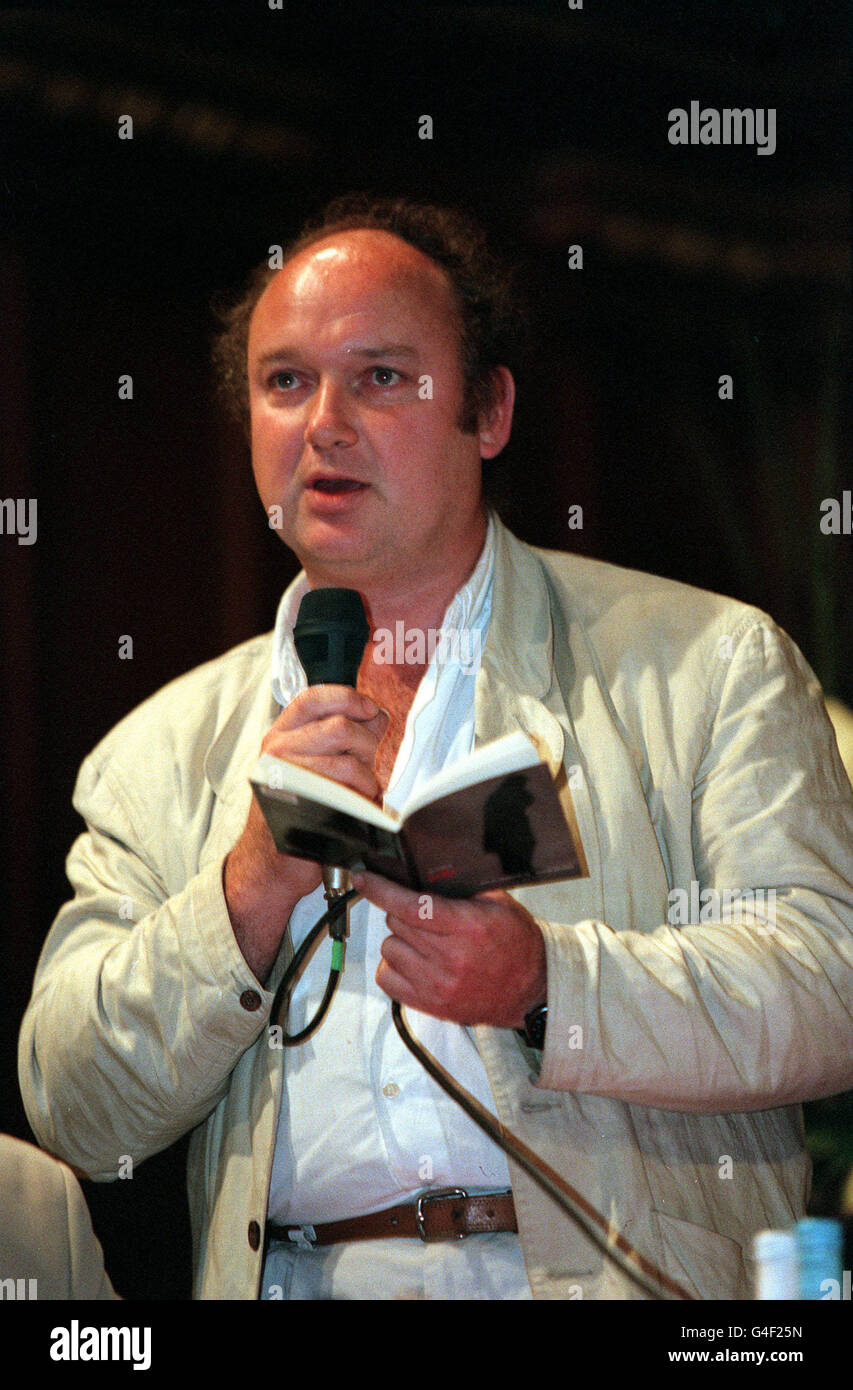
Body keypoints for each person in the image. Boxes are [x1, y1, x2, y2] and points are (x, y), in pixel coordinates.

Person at [18, 195, 853, 1301]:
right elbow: (74, 1102)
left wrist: (550, 982)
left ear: (490, 410)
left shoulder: (705, 665)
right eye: (284, 382)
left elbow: (829, 981)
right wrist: (247, 891)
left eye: (380, 377)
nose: (323, 422)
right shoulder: (158, 751)